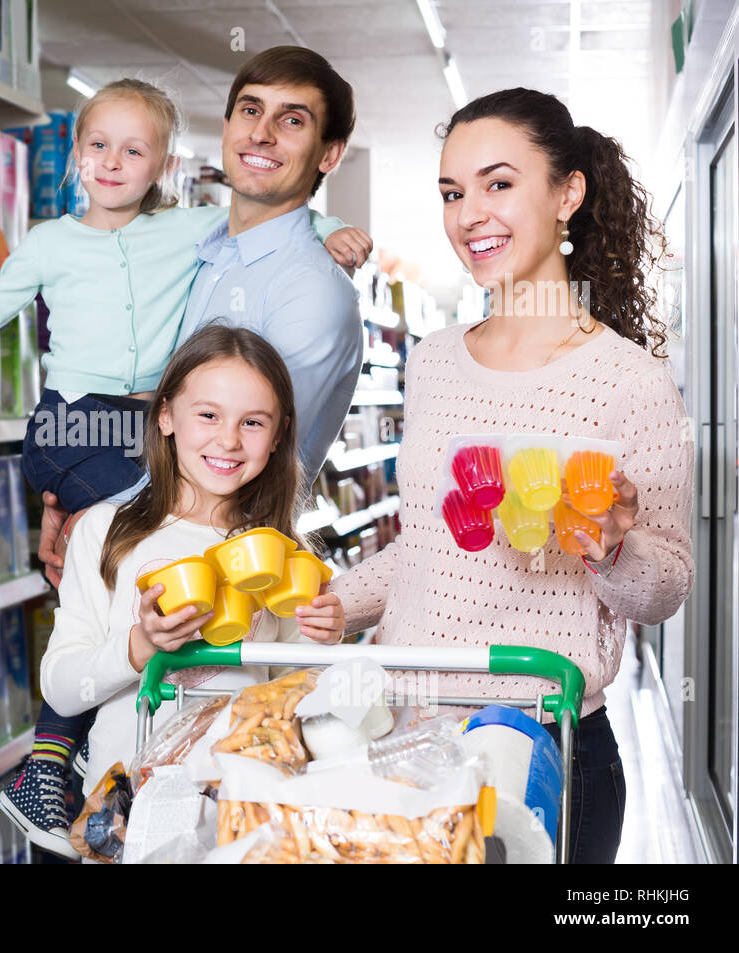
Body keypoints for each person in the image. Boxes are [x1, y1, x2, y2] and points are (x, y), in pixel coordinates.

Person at [0, 77, 368, 857]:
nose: (113, 162)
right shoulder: (47, 243)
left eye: (135, 150)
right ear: (73, 155)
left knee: (119, 550)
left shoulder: (189, 229)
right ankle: (50, 761)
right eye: (97, 144)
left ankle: (67, 751)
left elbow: (272, 206)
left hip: (136, 423)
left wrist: (334, 228)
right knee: (118, 543)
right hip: (75, 424)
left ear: (164, 165)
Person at [328, 88, 694, 864]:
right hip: (404, 738)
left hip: (544, 746)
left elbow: (665, 591)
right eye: (452, 193)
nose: (469, 215)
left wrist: (612, 545)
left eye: (498, 184)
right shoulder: (432, 361)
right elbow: (425, 550)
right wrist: (333, 600)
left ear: (568, 194)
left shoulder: (629, 382)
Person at [41, 47, 368, 587]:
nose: (261, 133)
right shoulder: (199, 252)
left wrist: (98, 520)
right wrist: (80, 496)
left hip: (229, 579)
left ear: (328, 155)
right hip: (144, 548)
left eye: (291, 120)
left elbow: (233, 459)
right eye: (249, 110)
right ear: (227, 126)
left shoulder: (310, 290)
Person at [38, 325, 345, 843]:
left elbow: (302, 696)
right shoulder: (106, 532)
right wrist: (140, 645)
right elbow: (63, 691)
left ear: (277, 436)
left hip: (242, 821)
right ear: (165, 417)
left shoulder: (280, 554)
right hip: (125, 823)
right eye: (208, 415)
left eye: (252, 422)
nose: (227, 439)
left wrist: (325, 637)